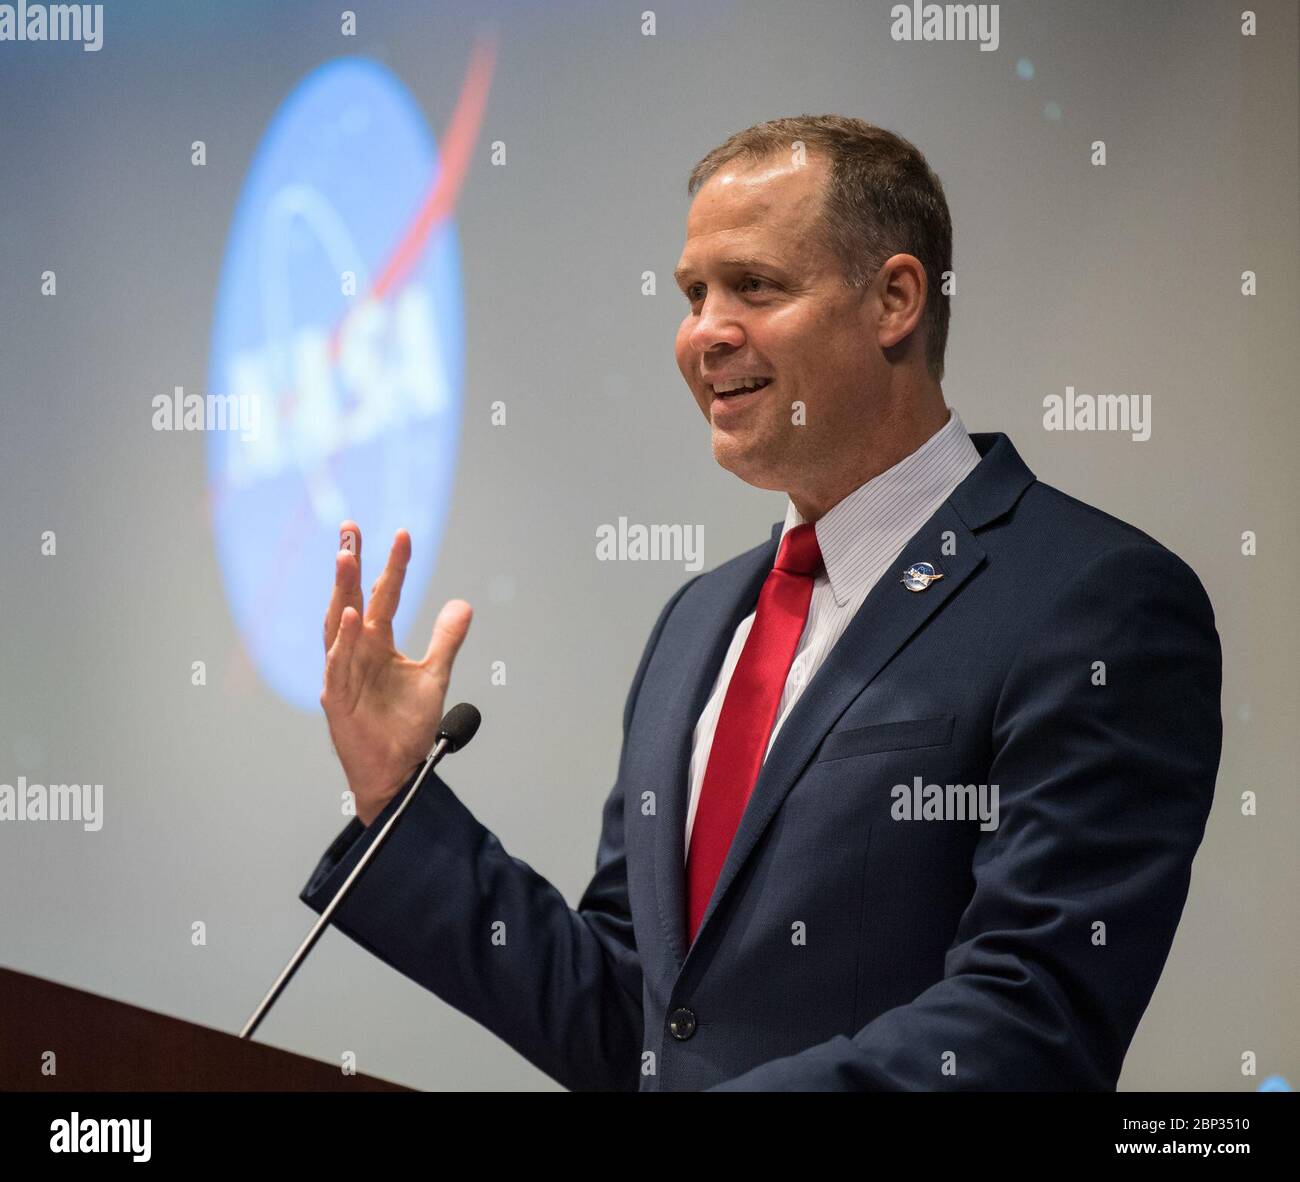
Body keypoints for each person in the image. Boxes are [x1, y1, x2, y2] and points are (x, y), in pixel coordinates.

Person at [301, 115, 1222, 1091]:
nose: (703, 331)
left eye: (754, 286)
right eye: (693, 293)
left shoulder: (1092, 602)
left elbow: (1032, 1017)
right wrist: (397, 803)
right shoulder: (698, 624)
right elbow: (644, 1020)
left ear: (894, 300)